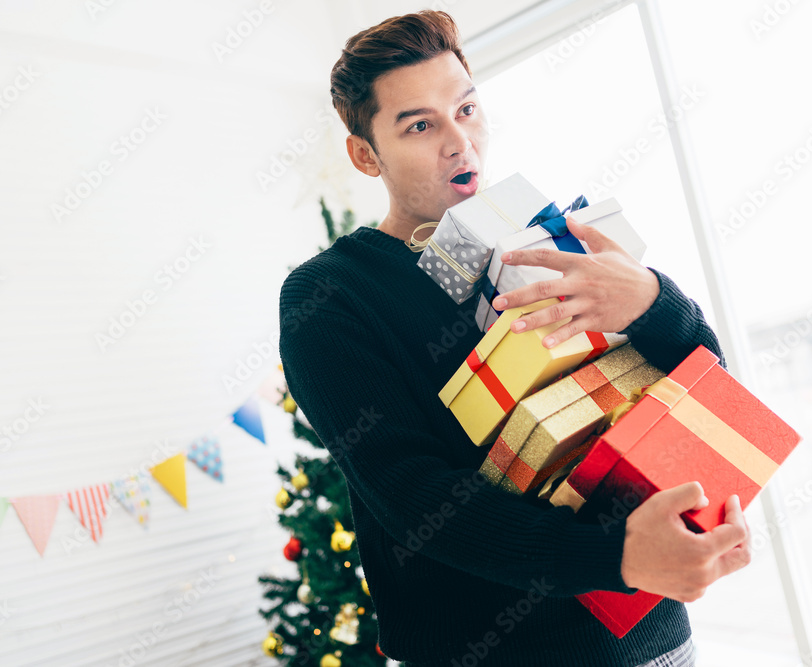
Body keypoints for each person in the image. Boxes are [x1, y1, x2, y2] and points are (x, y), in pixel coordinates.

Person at [278, 10, 751, 667]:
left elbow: (711, 392)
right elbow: (413, 495)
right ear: (365, 154)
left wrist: (649, 298)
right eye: (420, 125)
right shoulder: (331, 295)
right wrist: (614, 555)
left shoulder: (548, 238)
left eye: (466, 109)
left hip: (656, 640)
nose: (459, 142)